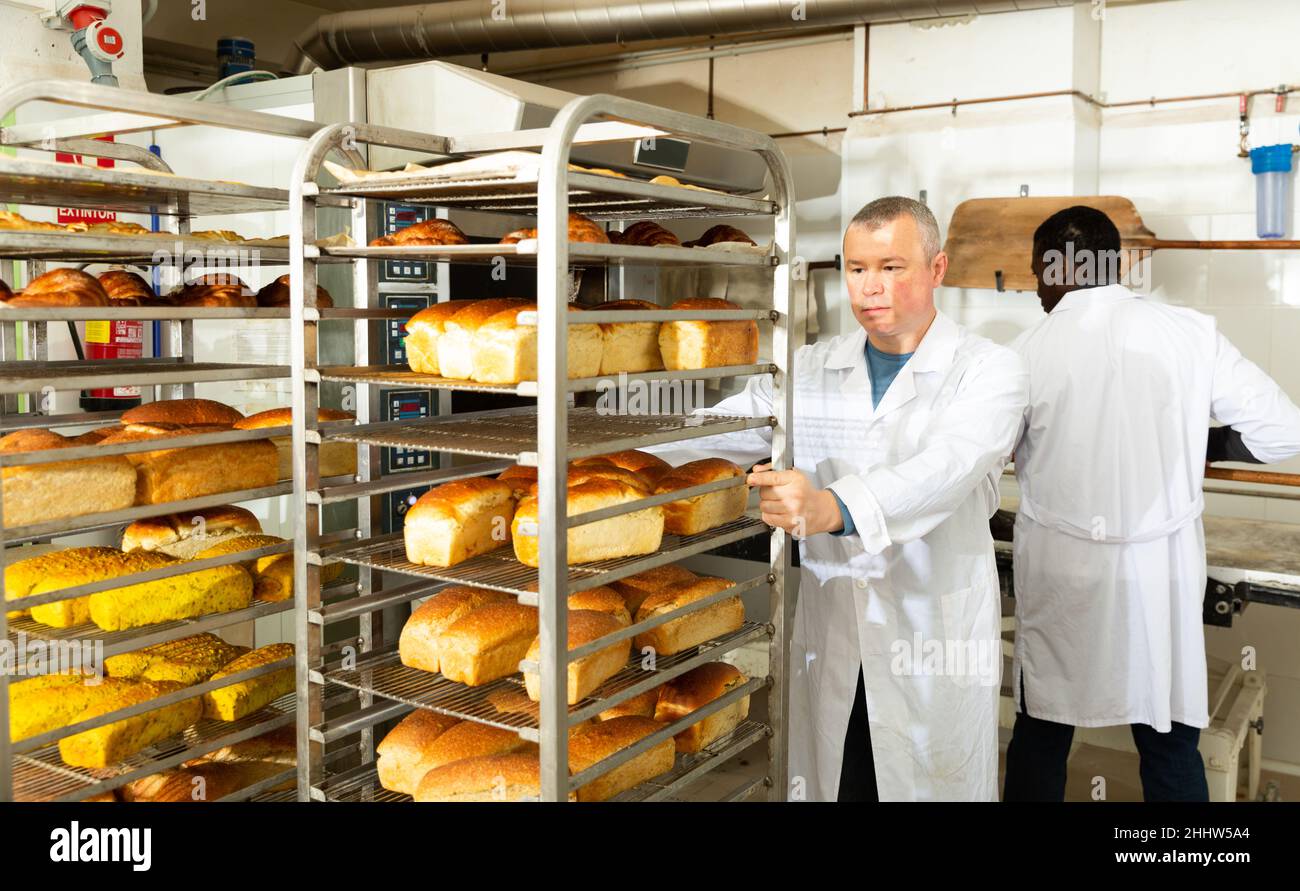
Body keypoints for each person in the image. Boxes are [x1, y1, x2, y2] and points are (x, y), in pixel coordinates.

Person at [646, 197, 1028, 800]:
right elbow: (720, 431)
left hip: (929, 634)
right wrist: (594, 449)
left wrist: (834, 508)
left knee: (927, 783)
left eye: (892, 267)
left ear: (938, 268)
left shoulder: (988, 370)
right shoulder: (809, 368)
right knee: (838, 779)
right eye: (856, 269)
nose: (870, 288)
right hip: (835, 631)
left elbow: (951, 464)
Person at [1004, 205, 1300, 801]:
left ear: (1059, 268)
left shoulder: (1023, 352)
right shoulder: (1189, 331)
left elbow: (985, 459)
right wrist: (1201, 441)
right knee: (1167, 737)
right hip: (1159, 575)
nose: (1038, 291)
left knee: (1042, 731)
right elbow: (1284, 433)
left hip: (1064, 576)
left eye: (1038, 273)